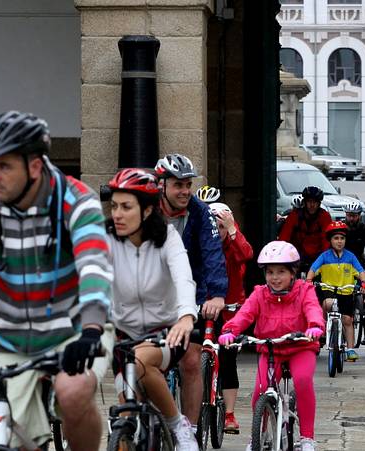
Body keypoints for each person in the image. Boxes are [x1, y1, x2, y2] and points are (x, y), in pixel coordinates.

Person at [0, 111, 114, 450]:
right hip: (10, 342)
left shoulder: (76, 201)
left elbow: (94, 267)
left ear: (34, 166)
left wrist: (92, 329)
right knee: (4, 435)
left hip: (76, 331)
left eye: (4, 166)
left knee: (73, 390)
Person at [105, 168, 199, 450]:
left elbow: (184, 277)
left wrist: (185, 316)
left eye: (126, 207)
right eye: (113, 206)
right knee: (126, 414)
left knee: (142, 362)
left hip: (167, 331)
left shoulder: (168, 238)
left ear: (146, 210)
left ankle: (177, 425)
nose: (117, 214)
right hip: (124, 334)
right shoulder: (106, 240)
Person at [218, 241, 324, 451]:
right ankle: (257, 436)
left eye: (281, 272)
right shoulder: (259, 293)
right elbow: (245, 314)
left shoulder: (305, 290)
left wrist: (314, 327)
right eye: (270, 272)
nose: (275, 278)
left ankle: (307, 437)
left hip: (300, 347)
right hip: (271, 349)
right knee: (259, 391)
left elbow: (313, 309)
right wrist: (230, 331)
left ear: (293, 273)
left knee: (302, 381)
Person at [155, 153, 229, 435]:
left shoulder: (200, 212)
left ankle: (190, 430)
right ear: (161, 185)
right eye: (178, 185)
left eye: (188, 184)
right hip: (155, 294)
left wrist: (217, 295)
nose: (185, 191)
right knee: (143, 360)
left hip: (194, 293)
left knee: (190, 359)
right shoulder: (146, 208)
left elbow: (213, 254)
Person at [208, 200, 254, 433]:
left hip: (231, 308)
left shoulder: (234, 244)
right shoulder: (204, 243)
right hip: (206, 307)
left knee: (227, 359)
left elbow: (246, 254)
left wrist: (232, 229)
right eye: (215, 227)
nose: (218, 232)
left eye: (222, 227)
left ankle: (229, 413)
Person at [306, 221, 365, 361]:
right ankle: (322, 330)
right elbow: (312, 270)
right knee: (327, 304)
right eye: (336, 238)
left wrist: (364, 283)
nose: (339, 241)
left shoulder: (351, 256)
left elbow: (360, 271)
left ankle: (351, 349)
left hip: (346, 292)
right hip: (329, 290)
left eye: (342, 238)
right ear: (330, 240)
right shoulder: (324, 256)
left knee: (347, 320)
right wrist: (309, 281)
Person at [277, 186, 332, 275]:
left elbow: (327, 240)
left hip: (317, 256)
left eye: (315, 202)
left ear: (319, 203)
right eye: (309, 202)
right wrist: (284, 255)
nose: (312, 205)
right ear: (305, 202)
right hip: (296, 255)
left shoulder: (324, 216)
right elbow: (285, 237)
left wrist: (323, 258)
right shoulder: (295, 215)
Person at [344, 200, 365, 268]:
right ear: (345, 214)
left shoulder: (364, 228)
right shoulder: (341, 227)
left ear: (359, 215)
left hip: (359, 260)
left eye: (354, 216)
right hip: (342, 260)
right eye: (349, 215)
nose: (351, 218)